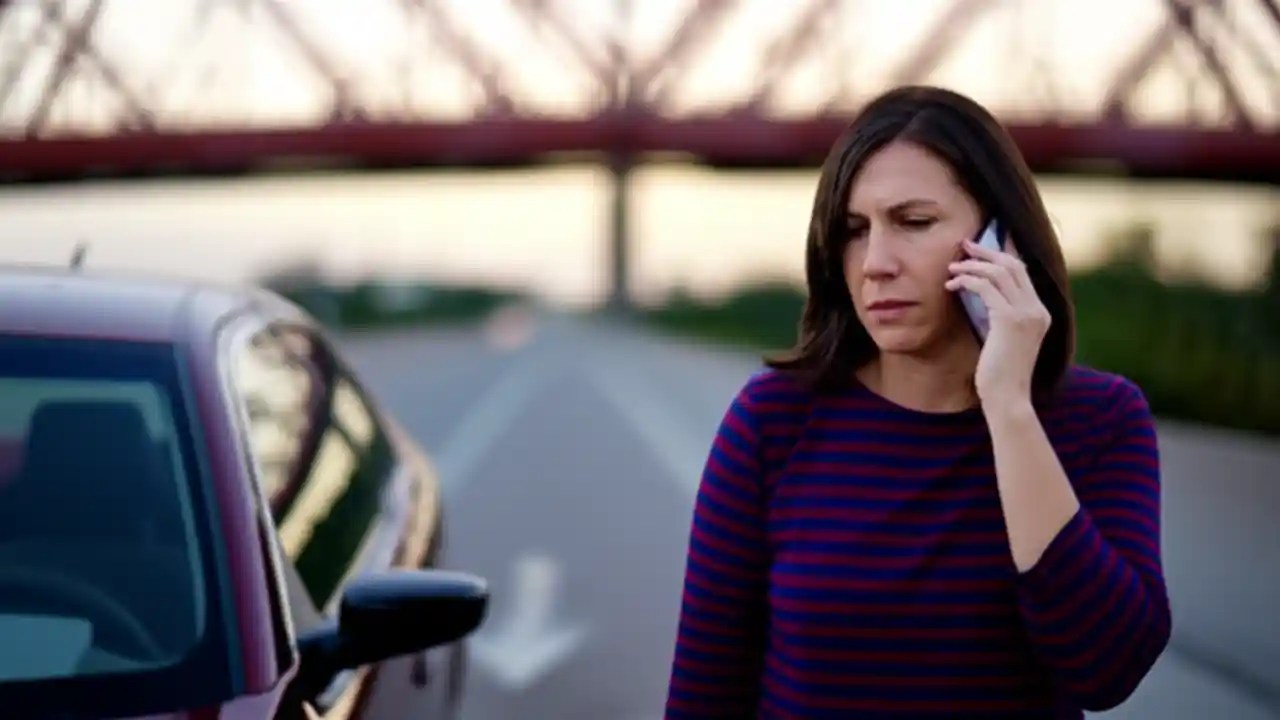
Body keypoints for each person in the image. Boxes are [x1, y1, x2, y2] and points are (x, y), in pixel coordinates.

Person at [661, 85, 1171, 719]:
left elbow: (1106, 669)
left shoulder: (1100, 422)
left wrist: (1009, 407)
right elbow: (702, 700)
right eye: (854, 230)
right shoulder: (773, 421)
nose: (876, 262)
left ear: (999, 238)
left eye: (914, 222)